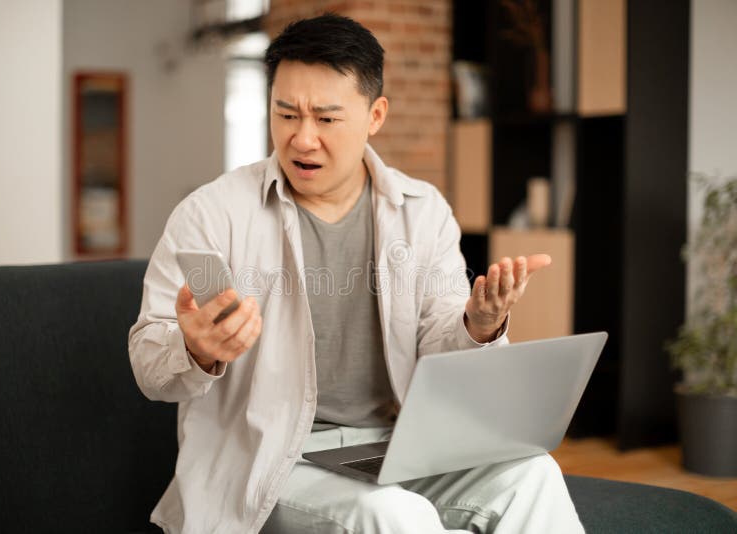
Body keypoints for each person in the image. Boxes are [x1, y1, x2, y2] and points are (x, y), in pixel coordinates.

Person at [128, 13, 583, 534]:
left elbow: (440, 353)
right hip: (274, 464)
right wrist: (196, 349)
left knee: (533, 475)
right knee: (394, 514)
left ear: (376, 115)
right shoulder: (212, 214)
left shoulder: (422, 211)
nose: (302, 138)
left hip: (398, 449)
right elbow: (148, 366)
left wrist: (478, 325)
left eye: (326, 118)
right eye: (285, 114)